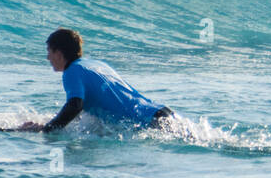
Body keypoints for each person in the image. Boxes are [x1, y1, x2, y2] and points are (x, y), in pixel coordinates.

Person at [19, 28, 175, 133]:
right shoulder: (96, 65)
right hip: (161, 113)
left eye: (49, 52)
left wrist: (47, 131)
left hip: (150, 124)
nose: (48, 58)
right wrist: (44, 122)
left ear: (59, 53)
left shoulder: (71, 71)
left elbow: (75, 106)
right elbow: (82, 111)